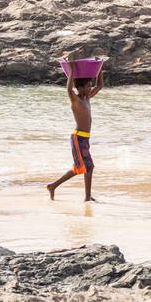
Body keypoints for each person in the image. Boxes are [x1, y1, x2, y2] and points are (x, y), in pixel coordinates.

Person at [46, 64, 104, 202]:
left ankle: (53, 186)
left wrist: (100, 68)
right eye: (88, 86)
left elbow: (100, 86)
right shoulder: (76, 100)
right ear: (81, 88)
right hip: (78, 138)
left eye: (90, 86)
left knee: (82, 168)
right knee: (87, 167)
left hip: (84, 139)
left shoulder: (87, 98)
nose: (90, 88)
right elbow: (68, 89)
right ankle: (87, 197)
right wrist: (71, 71)